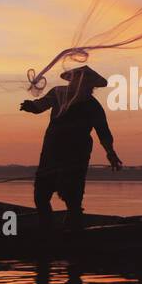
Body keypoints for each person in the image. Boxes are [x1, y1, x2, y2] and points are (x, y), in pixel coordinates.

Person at [20, 65, 122, 230]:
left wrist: (111, 153)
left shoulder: (92, 105)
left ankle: (72, 230)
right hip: (52, 151)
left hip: (76, 154)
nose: (80, 83)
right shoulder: (58, 93)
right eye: (77, 78)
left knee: (73, 199)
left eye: (84, 81)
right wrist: (30, 106)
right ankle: (47, 230)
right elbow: (40, 106)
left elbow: (103, 132)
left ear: (90, 86)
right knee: (41, 195)